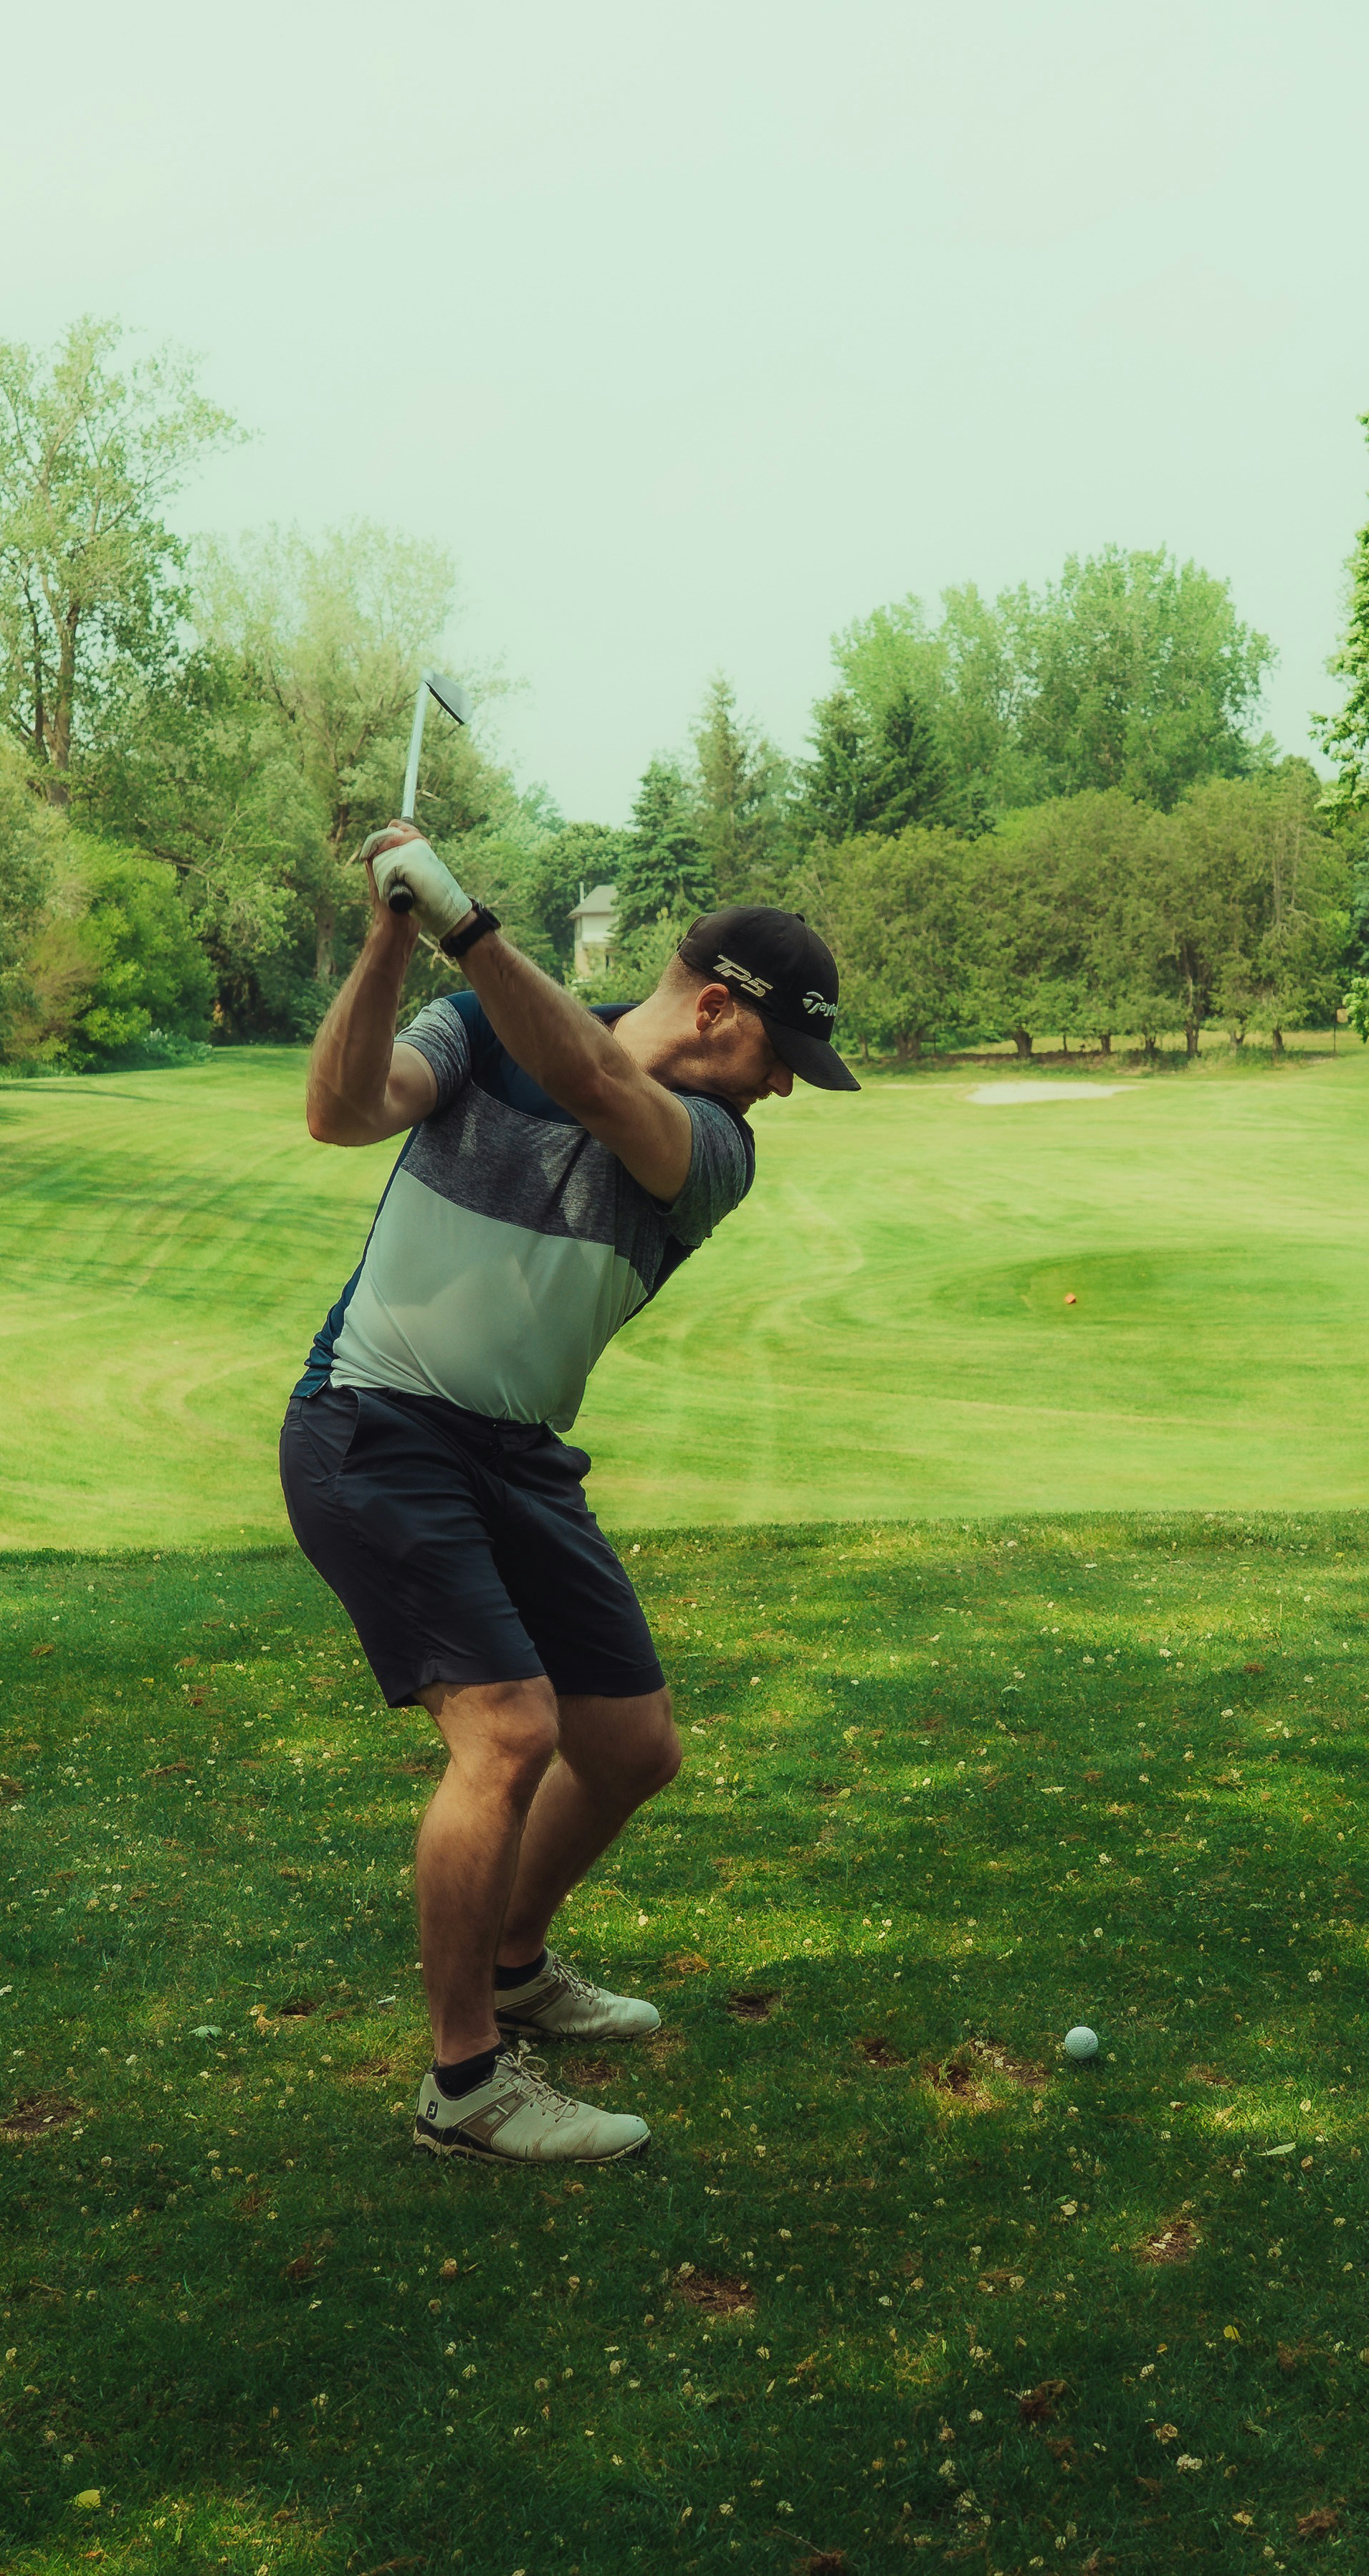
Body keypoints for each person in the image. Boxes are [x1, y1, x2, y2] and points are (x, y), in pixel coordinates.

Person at [282, 820, 855, 2165]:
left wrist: (467, 926)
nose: (780, 1092)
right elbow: (340, 1112)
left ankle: (519, 1963)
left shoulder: (713, 1144)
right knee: (507, 1734)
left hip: (518, 1453)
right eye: (783, 1059)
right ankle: (466, 2085)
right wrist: (389, 940)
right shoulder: (473, 1031)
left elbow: (598, 1083)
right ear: (719, 1008)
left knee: (633, 1747)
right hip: (376, 1424)